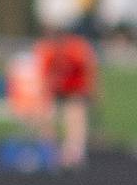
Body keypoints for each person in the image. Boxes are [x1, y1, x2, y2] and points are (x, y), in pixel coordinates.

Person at [33, 24, 97, 168]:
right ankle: (49, 151)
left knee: (75, 113)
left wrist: (90, 90)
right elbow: (43, 75)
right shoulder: (46, 49)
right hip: (54, 90)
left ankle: (73, 152)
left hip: (74, 88)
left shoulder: (77, 48)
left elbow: (86, 70)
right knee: (46, 114)